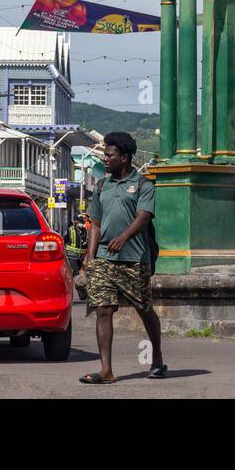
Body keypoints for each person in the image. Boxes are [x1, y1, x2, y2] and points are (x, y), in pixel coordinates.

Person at [80, 131, 165, 384]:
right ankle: (106, 370)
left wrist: (124, 237)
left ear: (124, 157)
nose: (105, 159)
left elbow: (143, 216)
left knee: (144, 309)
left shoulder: (143, 185)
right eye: (104, 154)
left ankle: (157, 358)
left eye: (109, 155)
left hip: (135, 258)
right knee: (103, 310)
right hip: (104, 258)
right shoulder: (102, 185)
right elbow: (95, 223)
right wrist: (90, 255)